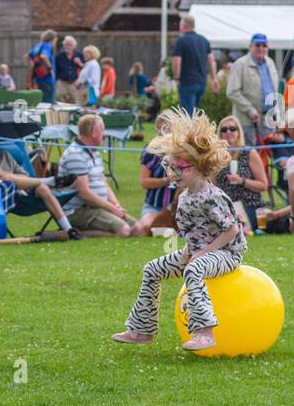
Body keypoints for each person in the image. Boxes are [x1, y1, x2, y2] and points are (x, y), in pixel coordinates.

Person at [112, 109, 247, 351]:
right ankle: (142, 330)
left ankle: (205, 333)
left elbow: (232, 231)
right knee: (152, 269)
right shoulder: (184, 197)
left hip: (227, 254)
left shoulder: (211, 197)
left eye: (180, 168)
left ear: (197, 166)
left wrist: (204, 252)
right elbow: (193, 231)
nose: (173, 175)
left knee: (194, 270)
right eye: (171, 168)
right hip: (197, 251)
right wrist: (190, 250)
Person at [0, 134, 79, 238]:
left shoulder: (4, 156)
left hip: (26, 190)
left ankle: (68, 229)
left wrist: (6, 174)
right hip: (10, 197)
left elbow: (26, 178)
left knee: (42, 188)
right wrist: (2, 178)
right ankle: (50, 181)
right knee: (7, 181)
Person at [55, 113, 139, 236]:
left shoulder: (95, 153)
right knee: (124, 230)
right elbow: (84, 194)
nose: (104, 134)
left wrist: (116, 206)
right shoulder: (75, 155)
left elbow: (104, 184)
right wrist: (112, 209)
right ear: (93, 132)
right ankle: (74, 232)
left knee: (137, 228)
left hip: (97, 208)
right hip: (78, 211)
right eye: (102, 130)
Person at [214, 116, 268, 232]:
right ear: (220, 134)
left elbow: (263, 185)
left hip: (248, 205)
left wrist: (241, 181)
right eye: (224, 130)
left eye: (232, 128)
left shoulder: (249, 153)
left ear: (239, 132)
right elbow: (212, 187)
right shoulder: (217, 157)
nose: (228, 132)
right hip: (225, 207)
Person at [225, 33, 280, 145]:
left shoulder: (270, 62)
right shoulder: (240, 64)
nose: (261, 48)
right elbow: (232, 91)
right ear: (250, 46)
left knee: (267, 154)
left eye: (264, 45)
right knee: (247, 155)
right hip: (247, 120)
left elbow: (274, 90)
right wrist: (250, 110)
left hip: (268, 119)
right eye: (257, 45)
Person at [170, 15, 218, 113]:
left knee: (188, 115)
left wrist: (176, 78)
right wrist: (214, 79)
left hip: (187, 82)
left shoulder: (181, 41)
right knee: (196, 113)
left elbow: (176, 61)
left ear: (183, 25)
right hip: (201, 83)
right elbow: (212, 61)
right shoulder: (204, 40)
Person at [27, 29, 56, 103]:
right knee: (48, 102)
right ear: (52, 38)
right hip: (47, 79)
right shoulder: (47, 46)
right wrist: (50, 69)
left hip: (38, 78)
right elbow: (43, 56)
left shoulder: (38, 45)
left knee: (40, 101)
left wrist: (33, 65)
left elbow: (28, 55)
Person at [54, 36, 84, 103]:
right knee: (60, 102)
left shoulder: (79, 55)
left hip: (74, 83)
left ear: (74, 46)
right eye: (66, 45)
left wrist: (79, 63)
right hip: (62, 83)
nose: (68, 46)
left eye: (70, 45)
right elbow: (55, 69)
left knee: (76, 101)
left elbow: (85, 69)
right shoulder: (59, 56)